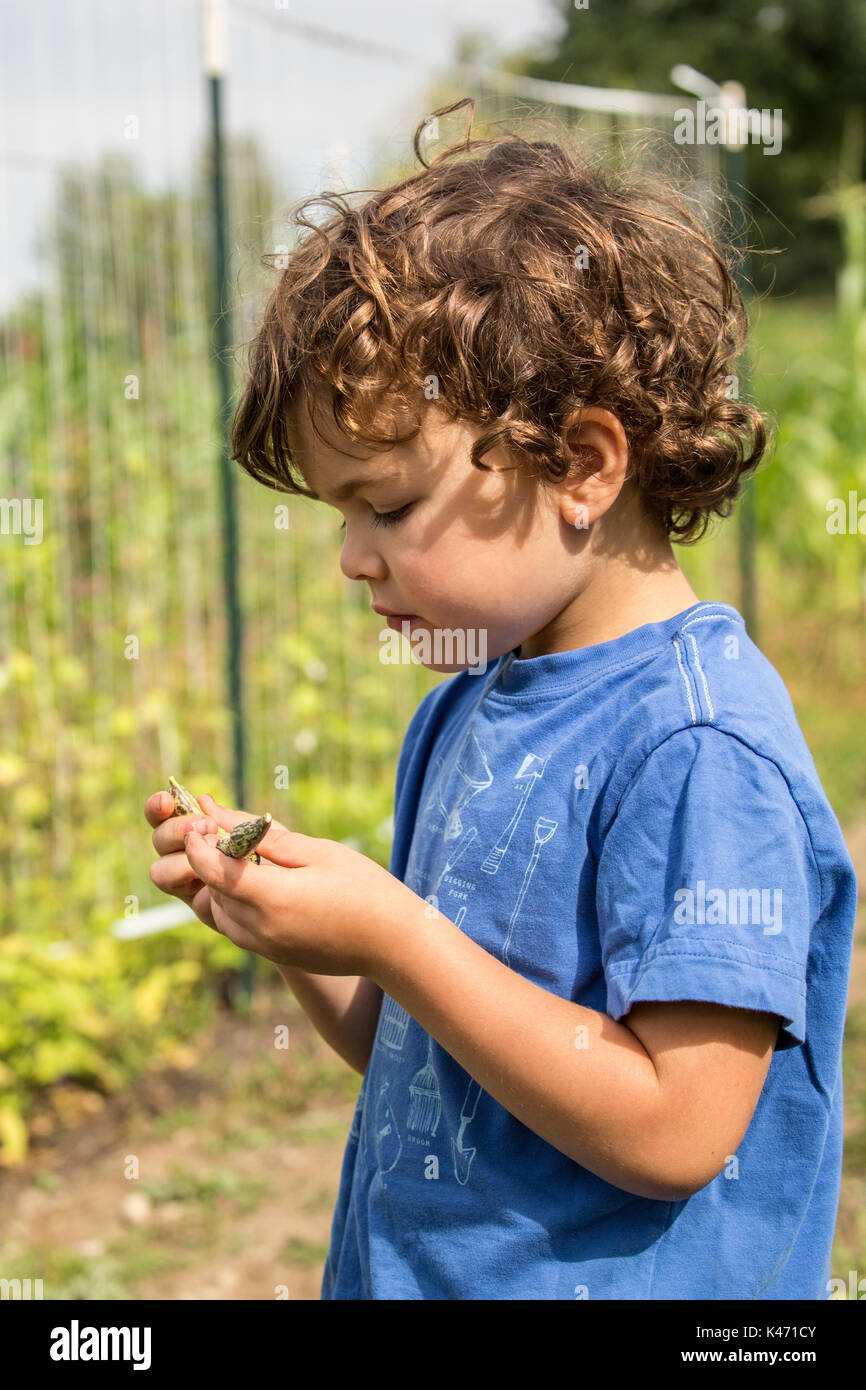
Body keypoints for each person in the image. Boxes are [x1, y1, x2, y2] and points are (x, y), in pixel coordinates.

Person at [146, 101, 857, 1299]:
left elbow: (676, 1130)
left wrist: (394, 931)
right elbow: (418, 1044)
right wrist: (301, 940)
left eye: (385, 505)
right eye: (337, 517)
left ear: (579, 464)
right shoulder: (471, 702)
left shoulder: (695, 747)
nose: (350, 560)